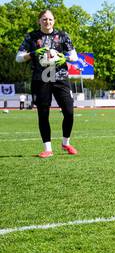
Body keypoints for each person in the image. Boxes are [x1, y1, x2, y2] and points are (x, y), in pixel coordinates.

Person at [15, 9, 78, 158]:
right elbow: (18, 57)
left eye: (50, 19)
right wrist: (32, 54)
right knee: (43, 114)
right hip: (40, 78)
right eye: (44, 19)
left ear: (54, 21)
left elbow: (74, 56)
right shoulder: (32, 37)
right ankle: (47, 148)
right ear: (39, 21)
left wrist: (64, 58)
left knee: (69, 111)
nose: (47, 22)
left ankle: (66, 143)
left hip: (60, 77)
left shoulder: (62, 36)